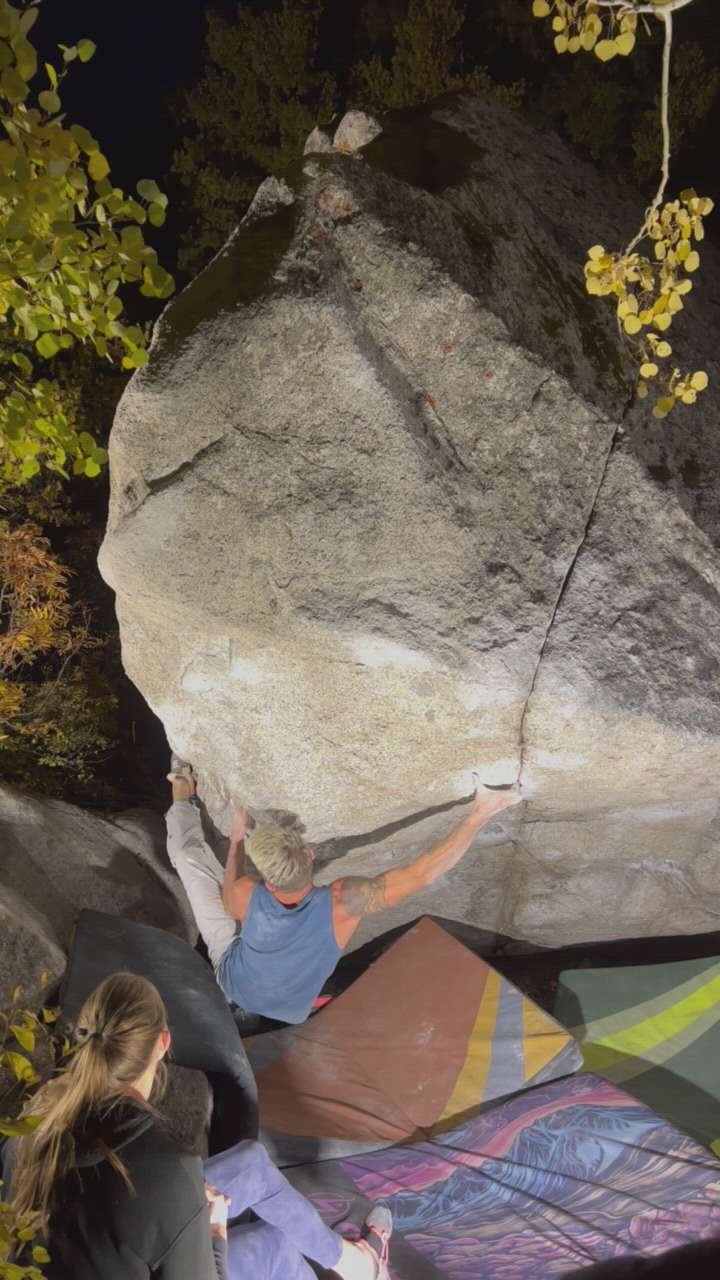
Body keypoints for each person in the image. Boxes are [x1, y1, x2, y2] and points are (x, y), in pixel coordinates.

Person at [1, 973, 391, 1280]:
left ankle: (354, 1264)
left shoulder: (37, 1118)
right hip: (124, 1240)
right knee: (273, 1246)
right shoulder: (168, 1167)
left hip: (84, 1248)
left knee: (250, 1164)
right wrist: (216, 1230)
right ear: (164, 1043)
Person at [165, 759, 521, 1023]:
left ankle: (183, 792)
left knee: (185, 854)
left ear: (266, 881)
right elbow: (424, 873)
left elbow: (229, 900)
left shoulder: (245, 895)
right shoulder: (343, 903)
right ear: (310, 854)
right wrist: (480, 812)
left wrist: (238, 838)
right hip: (290, 1006)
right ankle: (184, 791)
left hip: (233, 978)